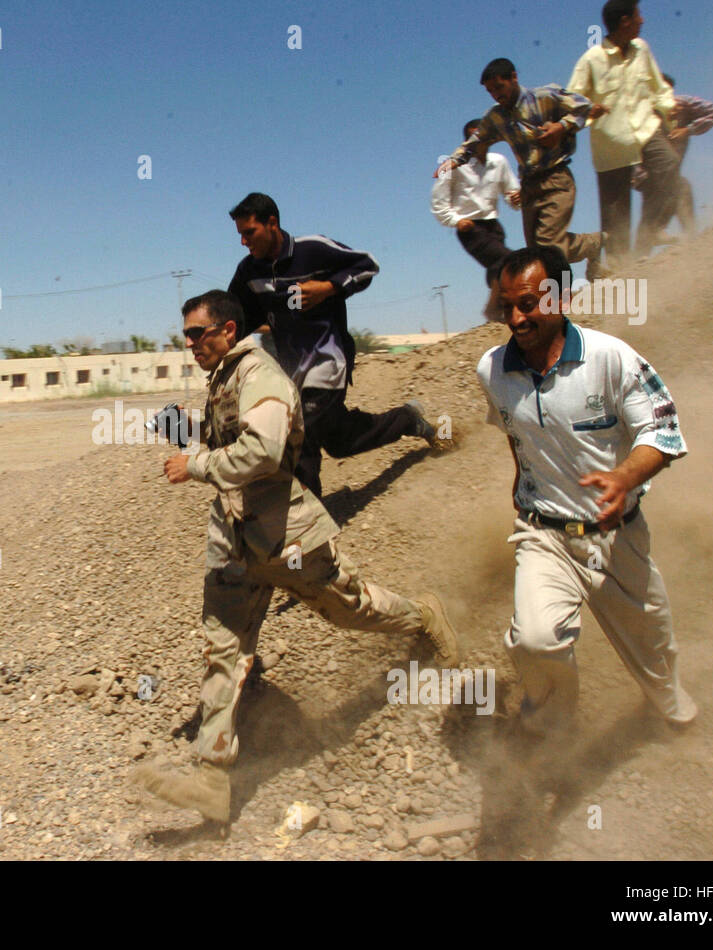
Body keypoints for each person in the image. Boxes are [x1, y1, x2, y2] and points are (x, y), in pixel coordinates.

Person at [132, 290, 462, 824]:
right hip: (236, 545)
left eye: (198, 333)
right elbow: (230, 438)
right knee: (222, 648)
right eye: (186, 334)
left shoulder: (260, 375)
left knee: (351, 610)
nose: (189, 343)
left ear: (229, 331)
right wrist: (186, 433)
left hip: (287, 540)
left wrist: (193, 466)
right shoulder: (224, 377)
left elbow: (261, 452)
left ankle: (423, 616)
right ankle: (212, 780)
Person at [476, 246, 696, 738]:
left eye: (528, 304)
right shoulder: (491, 370)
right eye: (506, 305)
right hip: (545, 535)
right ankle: (554, 730)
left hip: (616, 538)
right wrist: (522, 479)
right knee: (535, 641)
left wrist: (624, 478)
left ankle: (670, 711)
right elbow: (517, 431)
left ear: (562, 295)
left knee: (653, 648)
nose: (515, 317)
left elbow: (661, 433)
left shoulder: (611, 358)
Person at [226, 193, 442, 500]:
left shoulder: (312, 250)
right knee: (341, 442)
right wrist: (213, 334)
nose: (245, 242)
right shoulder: (249, 271)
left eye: (250, 233)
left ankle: (308, 518)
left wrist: (327, 288)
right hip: (290, 371)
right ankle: (408, 419)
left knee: (301, 430)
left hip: (329, 359)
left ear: (271, 223)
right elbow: (234, 314)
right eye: (241, 235)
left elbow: (368, 266)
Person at [436, 59, 605, 279]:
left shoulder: (544, 96)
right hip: (529, 187)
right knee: (538, 252)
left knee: (548, 246)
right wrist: (454, 160)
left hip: (556, 178)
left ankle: (554, 299)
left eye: (499, 87)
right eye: (490, 91)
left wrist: (561, 127)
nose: (496, 95)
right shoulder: (496, 117)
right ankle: (594, 244)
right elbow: (476, 140)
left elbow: (586, 108)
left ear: (513, 78)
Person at [567, 0, 677, 263]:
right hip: (611, 142)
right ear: (625, 21)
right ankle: (622, 267)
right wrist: (587, 109)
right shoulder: (592, 59)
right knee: (615, 211)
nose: (643, 21)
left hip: (645, 128)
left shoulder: (642, 49)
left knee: (668, 164)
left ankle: (650, 234)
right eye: (638, 16)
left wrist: (668, 108)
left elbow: (657, 86)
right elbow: (570, 99)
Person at [431, 117, 522, 317]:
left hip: (494, 225)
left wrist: (515, 198)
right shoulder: (452, 165)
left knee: (496, 266)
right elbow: (438, 200)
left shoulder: (499, 162)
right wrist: (456, 221)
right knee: (508, 260)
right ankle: (493, 310)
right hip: (470, 228)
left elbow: (510, 190)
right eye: (475, 137)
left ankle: (498, 313)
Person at [632, 75, 713, 238]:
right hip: (646, 176)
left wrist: (688, 129)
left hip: (670, 174)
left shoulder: (682, 104)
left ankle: (690, 239)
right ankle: (646, 248)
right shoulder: (641, 113)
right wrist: (638, 177)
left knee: (679, 188)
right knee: (673, 191)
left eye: (667, 91)